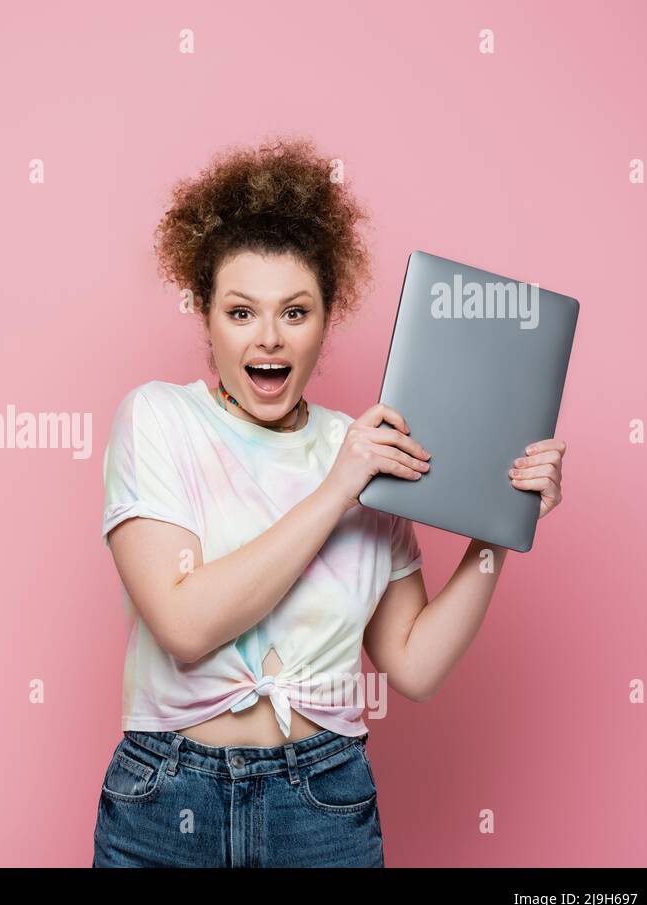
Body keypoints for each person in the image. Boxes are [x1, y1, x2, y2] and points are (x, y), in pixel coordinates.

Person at [93, 137, 567, 867]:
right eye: (241, 312)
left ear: (327, 317)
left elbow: (412, 665)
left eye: (296, 311)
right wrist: (336, 489)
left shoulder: (363, 448)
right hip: (167, 799)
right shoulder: (159, 419)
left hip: (321, 802)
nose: (270, 338)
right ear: (207, 317)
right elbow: (185, 625)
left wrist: (497, 527)